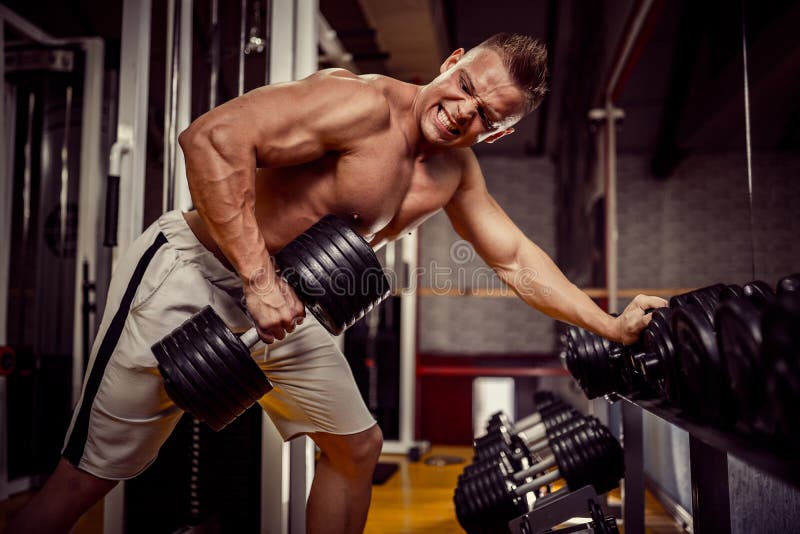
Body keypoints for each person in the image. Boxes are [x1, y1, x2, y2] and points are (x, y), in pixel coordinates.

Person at [8, 33, 666, 534]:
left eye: (487, 114)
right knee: (83, 485)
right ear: (453, 59)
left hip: (281, 304)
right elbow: (209, 140)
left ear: (503, 130)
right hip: (192, 274)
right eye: (465, 85)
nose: (464, 110)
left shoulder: (454, 176)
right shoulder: (359, 105)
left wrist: (607, 325)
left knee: (357, 447)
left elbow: (516, 259)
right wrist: (258, 281)